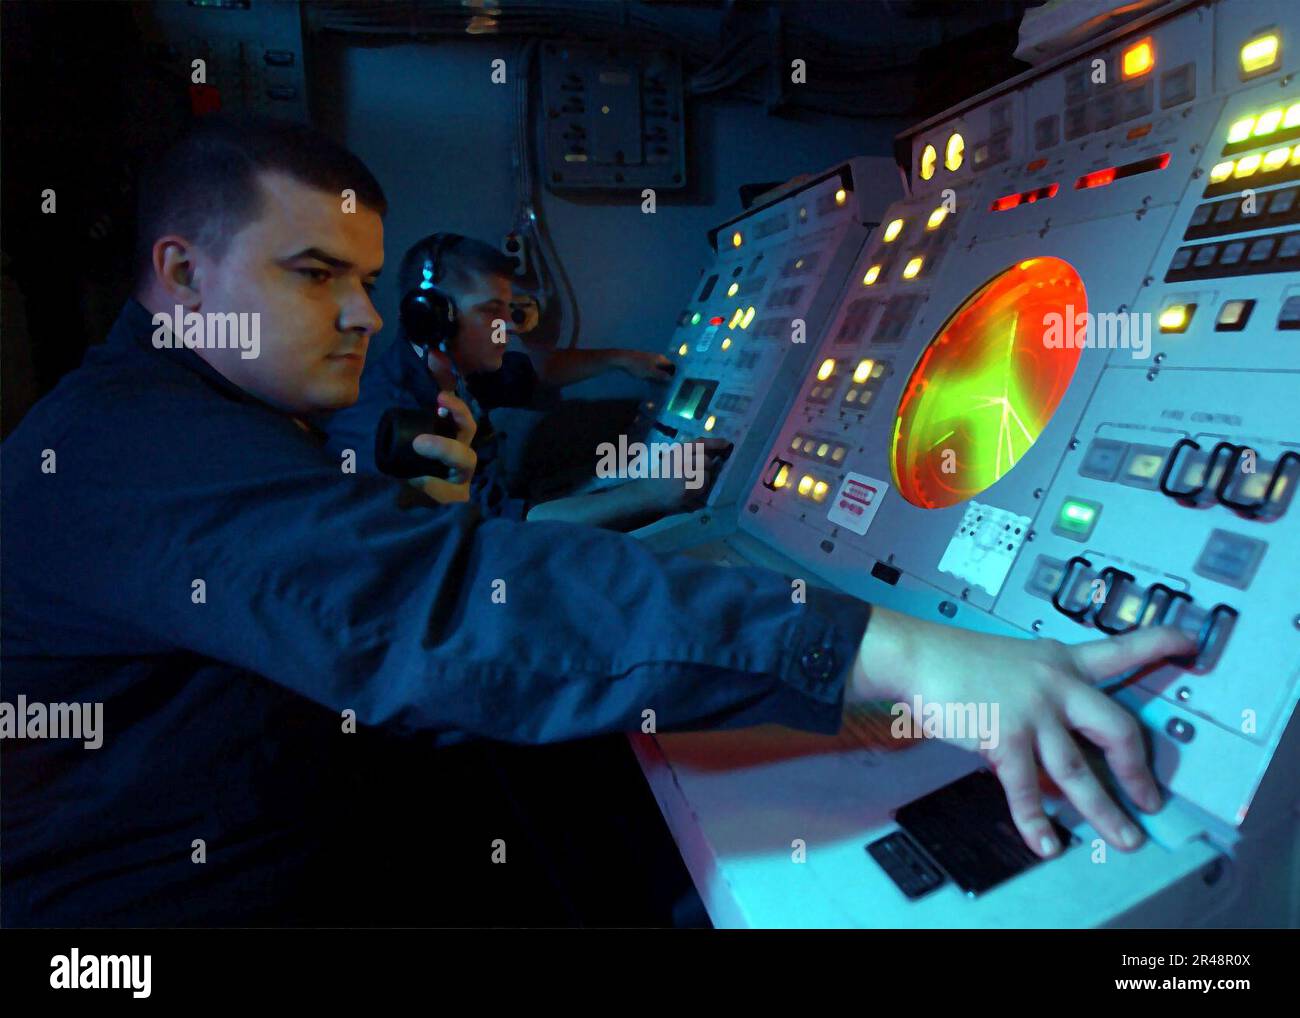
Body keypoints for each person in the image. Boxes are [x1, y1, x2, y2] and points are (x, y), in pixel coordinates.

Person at [0, 115, 1195, 927]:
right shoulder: (128, 450)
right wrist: (894, 647)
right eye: (314, 274)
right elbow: (437, 613)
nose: (363, 316)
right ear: (182, 274)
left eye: (365, 280)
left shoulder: (206, 421)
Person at [321, 231, 728, 527]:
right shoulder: (393, 425)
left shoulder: (459, 372)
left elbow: (541, 373)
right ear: (431, 318)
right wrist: (650, 493)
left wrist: (621, 359)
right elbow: (498, 529)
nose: (509, 328)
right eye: (490, 311)